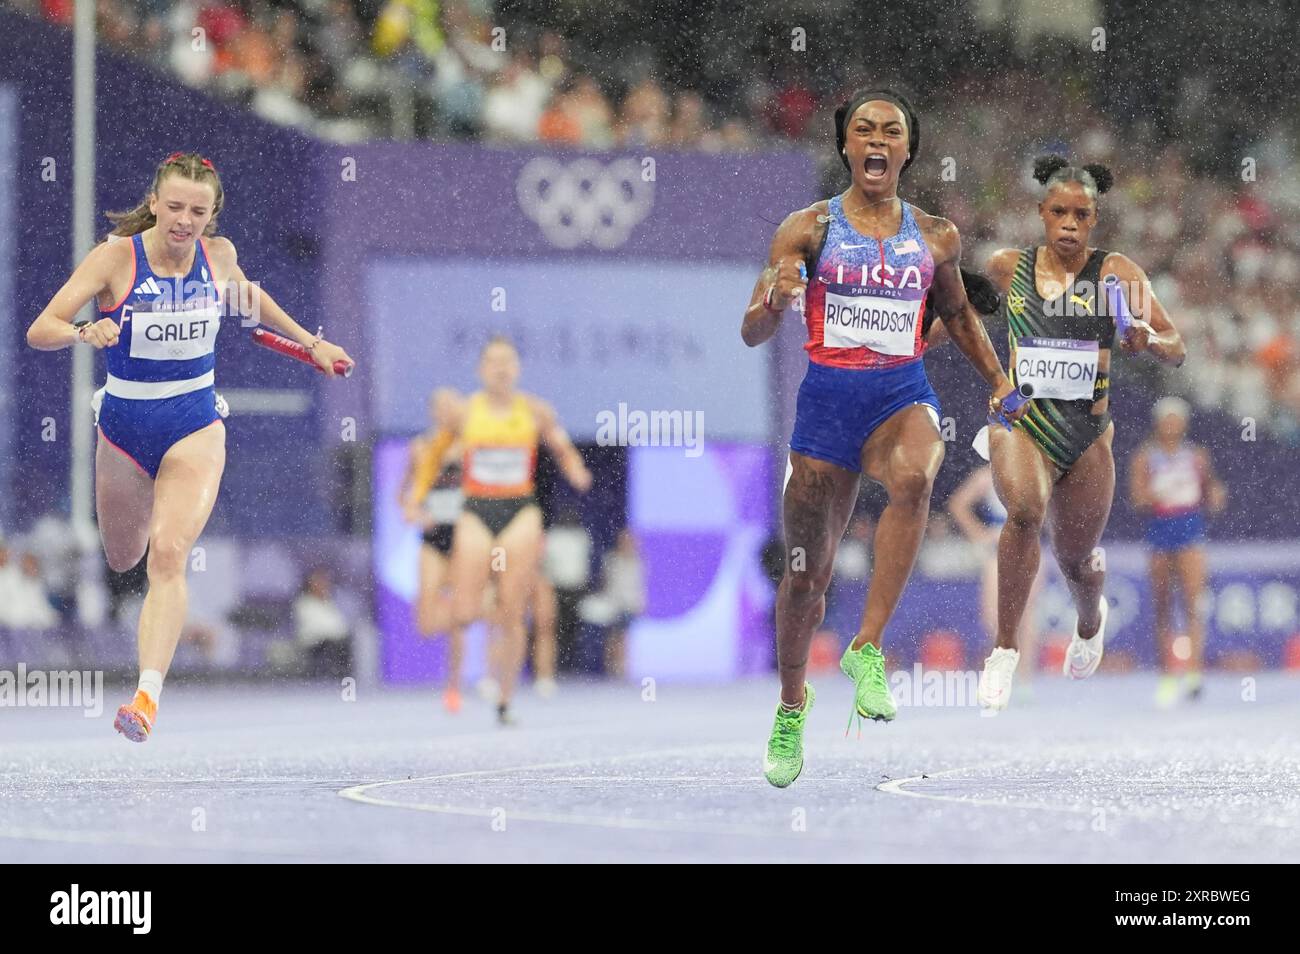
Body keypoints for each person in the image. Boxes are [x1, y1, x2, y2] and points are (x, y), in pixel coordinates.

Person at [26, 151, 354, 741]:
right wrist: (83, 330)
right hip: (124, 428)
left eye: (197, 211)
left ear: (211, 214)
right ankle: (147, 504)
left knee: (168, 555)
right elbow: (40, 328)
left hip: (194, 423)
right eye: (174, 206)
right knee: (123, 556)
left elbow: (255, 305)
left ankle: (146, 697)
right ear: (154, 203)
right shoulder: (114, 259)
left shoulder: (219, 257)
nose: (184, 220)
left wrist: (312, 346)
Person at [741, 88, 1018, 787]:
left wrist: (999, 380)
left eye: (890, 130)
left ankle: (867, 646)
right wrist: (774, 298)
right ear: (845, 146)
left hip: (900, 395)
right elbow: (752, 330)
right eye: (863, 128)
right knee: (807, 578)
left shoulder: (935, 236)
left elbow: (957, 315)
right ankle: (791, 706)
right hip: (826, 408)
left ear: (905, 150)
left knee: (919, 476)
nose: (876, 138)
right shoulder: (804, 228)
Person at [976, 155, 1187, 711]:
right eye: (1059, 213)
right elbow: (958, 316)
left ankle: (1090, 622)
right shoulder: (1006, 267)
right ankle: (1003, 652)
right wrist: (994, 378)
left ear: (1094, 220)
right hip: (1021, 424)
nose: (1069, 224)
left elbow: (1176, 346)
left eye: (1081, 215)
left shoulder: (1117, 273)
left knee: (1078, 560)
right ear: (1041, 214)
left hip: (1087, 437)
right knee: (1023, 512)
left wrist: (1146, 339)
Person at [443, 336, 591, 725]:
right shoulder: (463, 411)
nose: (501, 368)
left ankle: (505, 698)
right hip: (476, 508)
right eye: (493, 361)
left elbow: (560, 446)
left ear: (517, 369)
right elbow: (432, 454)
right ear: (480, 369)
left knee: (512, 608)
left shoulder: (535, 411)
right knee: (465, 608)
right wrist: (416, 494)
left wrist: (575, 468)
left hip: (519, 509)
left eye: (508, 361)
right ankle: (456, 682)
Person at [1129, 397, 1226, 706]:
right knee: (1163, 606)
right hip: (1160, 531)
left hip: (1190, 530)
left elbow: (1210, 492)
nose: (1172, 425)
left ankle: (1194, 672)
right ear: (1158, 423)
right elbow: (1138, 499)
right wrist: (1158, 492)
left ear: (1183, 423)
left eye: (1176, 419)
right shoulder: (1146, 458)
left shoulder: (1196, 455)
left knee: (1193, 603)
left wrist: (1215, 495)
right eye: (1167, 419)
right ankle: (1168, 674)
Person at [401, 387, 466, 711]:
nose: (448, 412)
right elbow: (404, 496)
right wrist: (413, 512)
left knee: (456, 622)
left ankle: (453, 686)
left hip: (463, 537)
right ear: (433, 413)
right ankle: (471, 608)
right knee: (426, 623)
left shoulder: (472, 446)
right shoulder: (421, 448)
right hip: (432, 537)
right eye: (441, 407)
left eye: (453, 406)